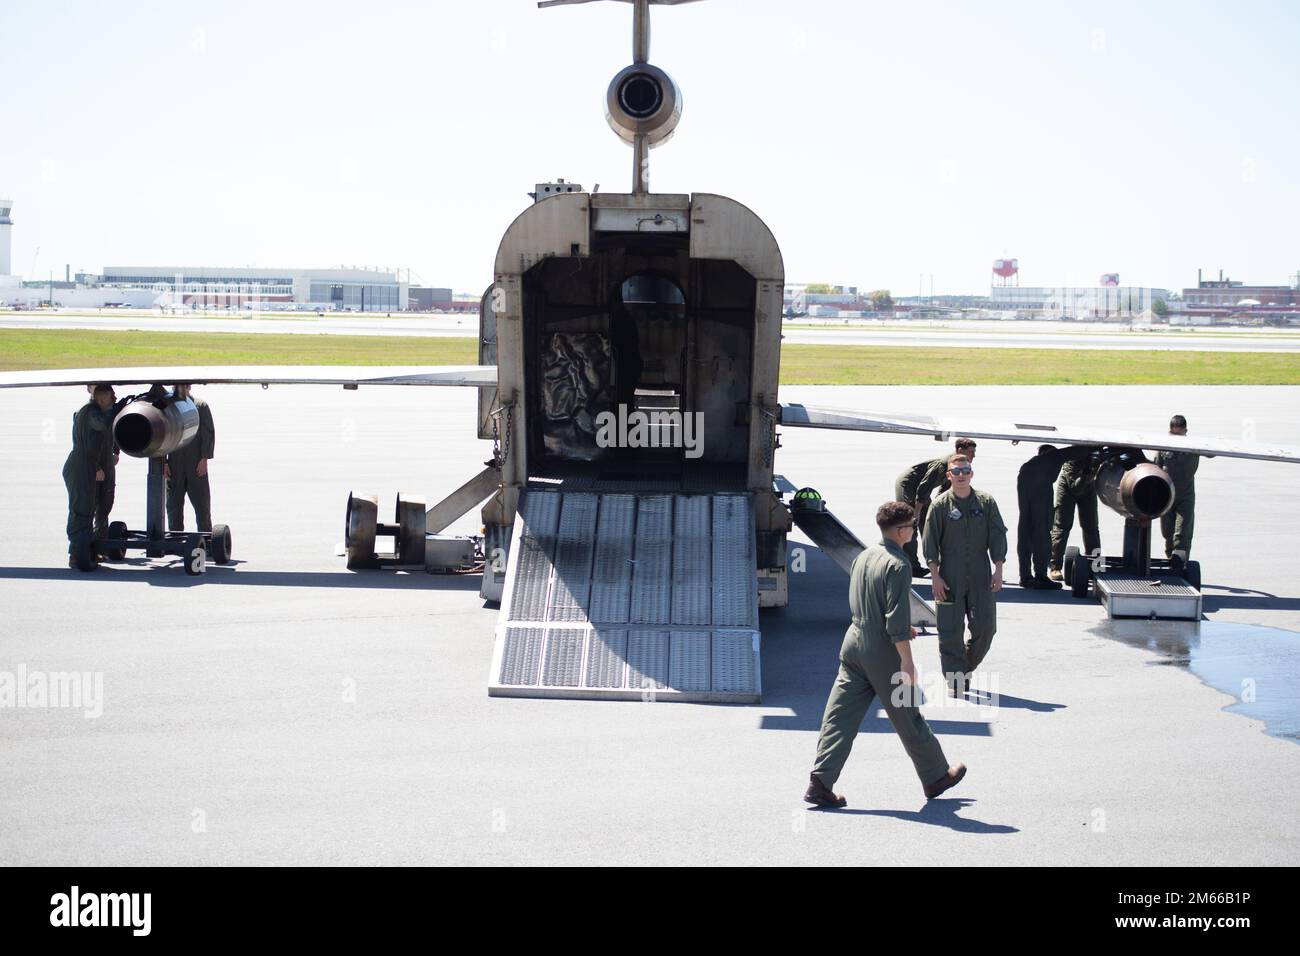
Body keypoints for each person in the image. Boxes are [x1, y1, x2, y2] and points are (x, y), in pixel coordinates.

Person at [805, 501, 967, 808]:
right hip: (881, 651)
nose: (914, 532)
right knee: (907, 713)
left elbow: (870, 603)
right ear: (902, 530)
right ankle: (935, 776)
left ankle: (820, 782)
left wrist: (900, 628)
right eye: (912, 527)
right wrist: (906, 659)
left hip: (853, 643)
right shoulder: (899, 564)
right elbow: (894, 618)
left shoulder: (864, 556)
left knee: (839, 717)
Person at [923, 454, 1008, 696]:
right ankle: (955, 680)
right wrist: (935, 576)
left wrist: (998, 569)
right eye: (956, 472)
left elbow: (998, 535)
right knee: (950, 630)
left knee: (986, 628)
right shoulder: (940, 505)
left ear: (972, 473)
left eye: (965, 470)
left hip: (981, 574)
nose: (961, 475)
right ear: (949, 475)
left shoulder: (986, 502)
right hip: (949, 575)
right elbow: (930, 541)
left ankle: (964, 667)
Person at [894, 437, 977, 577]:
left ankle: (937, 563)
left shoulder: (958, 466)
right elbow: (924, 487)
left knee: (928, 524)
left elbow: (945, 490)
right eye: (971, 452)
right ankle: (912, 565)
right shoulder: (942, 464)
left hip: (921, 490)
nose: (973, 456)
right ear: (960, 450)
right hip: (908, 484)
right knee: (911, 523)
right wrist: (917, 512)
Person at [63, 385, 115, 568]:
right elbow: (101, 424)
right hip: (81, 466)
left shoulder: (93, 410)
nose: (114, 399)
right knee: (82, 510)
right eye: (111, 397)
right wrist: (96, 467)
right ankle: (76, 554)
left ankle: (85, 550)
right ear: (101, 399)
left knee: (89, 507)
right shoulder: (92, 413)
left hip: (85, 464)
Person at [165, 384, 215, 532]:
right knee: (174, 504)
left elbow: (208, 433)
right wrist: (164, 461)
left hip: (195, 461)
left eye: (183, 387)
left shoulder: (200, 406)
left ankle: (206, 537)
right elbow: (160, 433)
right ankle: (175, 537)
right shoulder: (166, 406)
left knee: (202, 504)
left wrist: (204, 458)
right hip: (174, 461)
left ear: (189, 388)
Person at [1048, 446, 1101, 581]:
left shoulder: (1094, 450)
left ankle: (1095, 565)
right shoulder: (1073, 456)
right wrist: (1088, 472)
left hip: (1088, 485)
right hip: (1069, 485)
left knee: (1091, 527)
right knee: (1062, 526)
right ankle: (1055, 566)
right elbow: (1075, 488)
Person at [1016, 445, 1064, 589]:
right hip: (1040, 515)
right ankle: (1040, 577)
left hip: (1029, 513)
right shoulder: (1041, 471)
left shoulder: (1027, 469)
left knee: (1025, 540)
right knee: (1041, 541)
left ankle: (1025, 576)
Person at [1155, 414, 1199, 568]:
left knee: (1181, 534)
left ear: (1186, 431)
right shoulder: (1164, 447)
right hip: (1166, 495)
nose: (1176, 438)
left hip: (1185, 497)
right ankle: (1170, 560)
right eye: (1174, 434)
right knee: (1167, 532)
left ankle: (1181, 564)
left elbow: (1211, 453)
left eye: (1179, 435)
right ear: (1169, 431)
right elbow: (1157, 467)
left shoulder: (1193, 446)